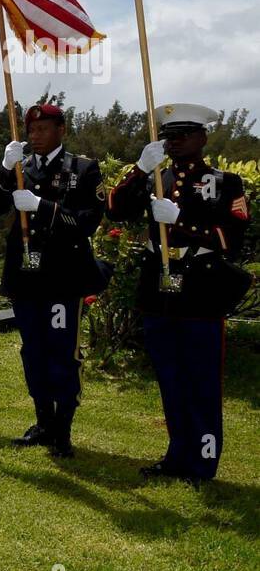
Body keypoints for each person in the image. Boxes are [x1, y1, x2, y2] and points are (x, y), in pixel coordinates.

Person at [107, 104, 251, 486]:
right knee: (170, 379)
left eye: (184, 133)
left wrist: (180, 223)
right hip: (160, 291)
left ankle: (203, 464)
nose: (175, 141)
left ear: (203, 137)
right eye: (170, 134)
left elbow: (230, 239)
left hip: (201, 291)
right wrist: (139, 168)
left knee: (201, 382)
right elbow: (116, 210)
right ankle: (176, 456)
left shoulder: (226, 182)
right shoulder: (157, 177)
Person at [0, 104, 105, 459]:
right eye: (30, 131)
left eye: (43, 130)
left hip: (62, 279)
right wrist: (5, 168)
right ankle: (43, 421)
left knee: (62, 354)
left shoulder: (81, 169)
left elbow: (86, 222)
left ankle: (63, 428)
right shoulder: (21, 167)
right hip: (26, 278)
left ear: (61, 130)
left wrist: (42, 206)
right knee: (32, 352)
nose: (34, 137)